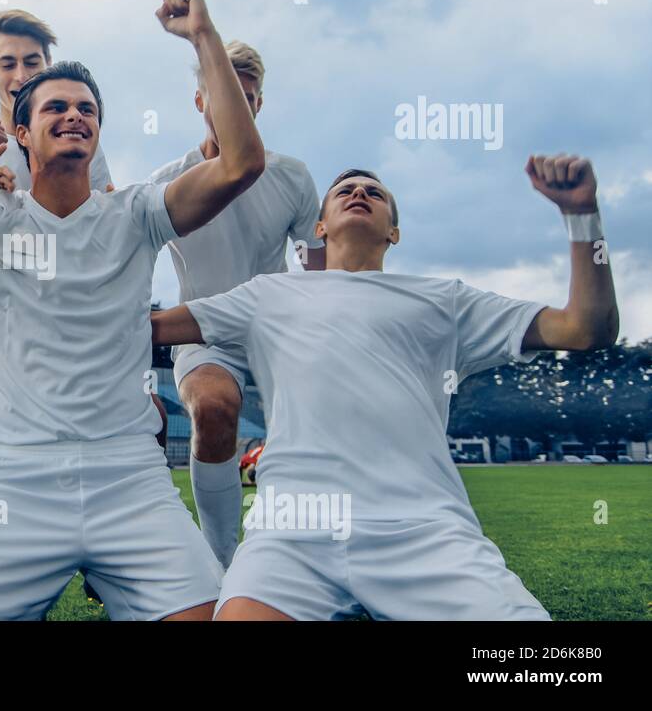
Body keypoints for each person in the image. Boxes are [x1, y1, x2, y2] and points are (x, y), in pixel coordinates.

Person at [0, 0, 265, 620]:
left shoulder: (136, 212)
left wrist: (202, 35)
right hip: (19, 485)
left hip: (131, 481)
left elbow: (240, 163)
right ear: (22, 134)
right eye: (54, 107)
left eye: (86, 107)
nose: (73, 114)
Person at [151, 156, 619, 620]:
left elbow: (584, 328)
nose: (359, 194)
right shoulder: (268, 294)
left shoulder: (443, 300)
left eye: (374, 193)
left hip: (425, 532)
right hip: (291, 534)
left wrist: (582, 217)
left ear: (393, 233)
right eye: (345, 191)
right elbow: (153, 328)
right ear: (319, 228)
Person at [0, 8, 115, 550]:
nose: (18, 72)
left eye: (31, 61)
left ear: (48, 65)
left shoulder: (76, 140)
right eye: (6, 62)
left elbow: (103, 234)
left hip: (67, 308)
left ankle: (104, 549)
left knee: (138, 414)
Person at [146, 40, 325, 568]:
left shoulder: (291, 177)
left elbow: (321, 273)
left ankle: (307, 552)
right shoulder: (165, 184)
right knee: (214, 407)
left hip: (279, 330)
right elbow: (128, 261)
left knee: (321, 419)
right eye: (223, 97)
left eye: (246, 99)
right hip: (204, 334)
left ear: (259, 105)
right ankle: (222, 563)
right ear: (200, 101)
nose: (235, 108)